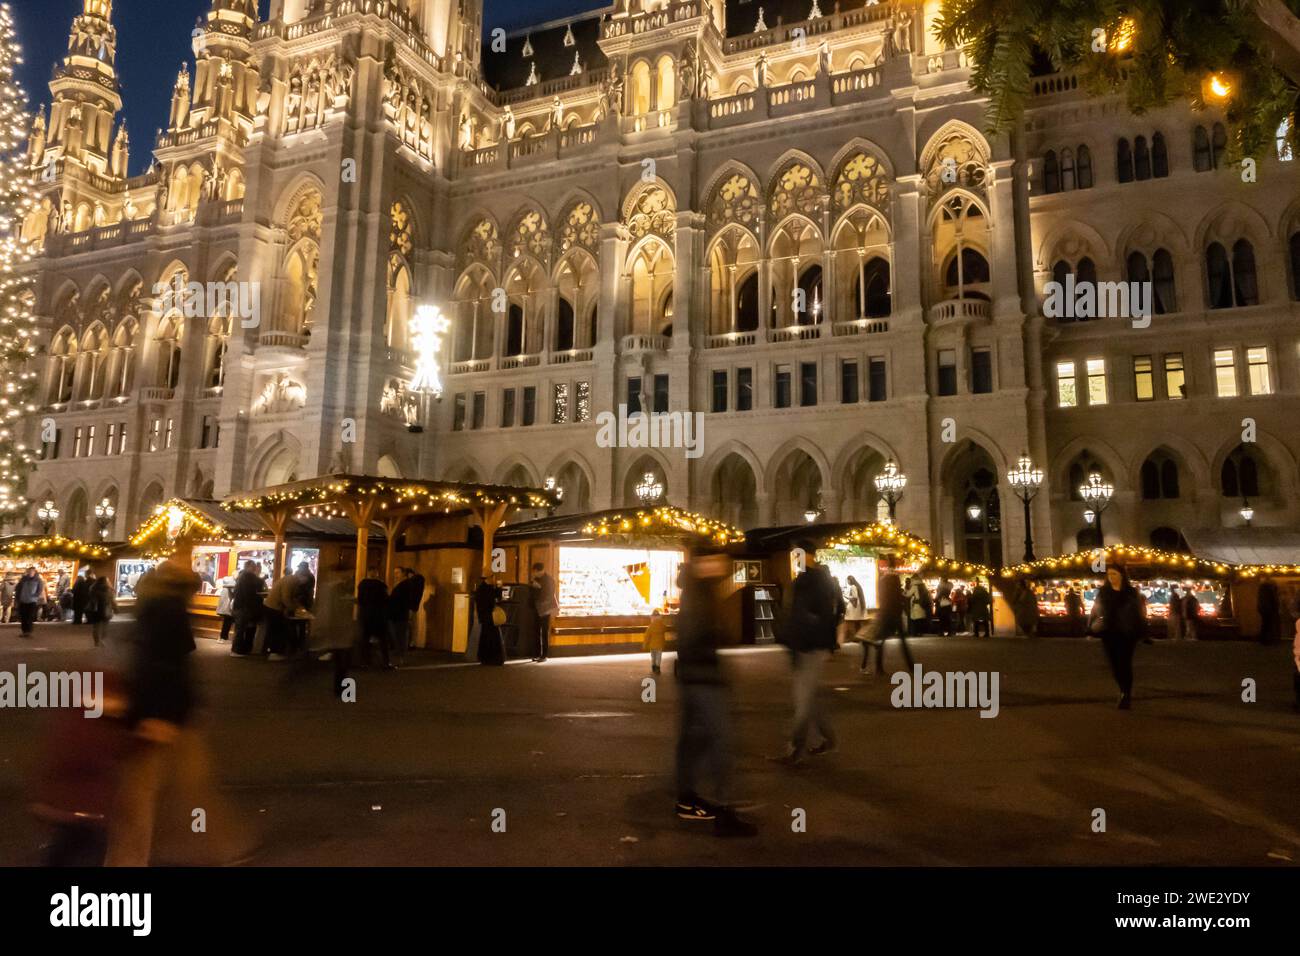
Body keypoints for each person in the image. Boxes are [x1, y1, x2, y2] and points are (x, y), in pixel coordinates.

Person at [673, 551, 755, 837]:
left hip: (694, 675)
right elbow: (695, 635)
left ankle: (687, 798)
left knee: (693, 741)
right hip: (704, 676)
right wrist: (717, 637)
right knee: (722, 741)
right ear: (700, 562)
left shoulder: (699, 590)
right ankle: (724, 811)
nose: (720, 564)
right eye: (714, 559)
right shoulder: (699, 594)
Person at [776, 541, 844, 765]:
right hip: (805, 646)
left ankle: (795, 749)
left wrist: (802, 639)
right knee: (810, 697)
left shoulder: (812, 581)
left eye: (798, 554)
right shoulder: (809, 581)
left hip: (808, 647)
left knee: (803, 701)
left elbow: (815, 616)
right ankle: (829, 738)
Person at [1088, 563, 1146, 710]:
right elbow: (1096, 609)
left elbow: (1139, 612)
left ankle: (1125, 693)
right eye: (1109, 574)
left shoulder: (1131, 592)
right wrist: (1090, 626)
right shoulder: (1104, 591)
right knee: (1114, 665)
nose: (1111, 577)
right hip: (1109, 632)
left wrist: (1142, 630)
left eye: (1114, 574)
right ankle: (1122, 687)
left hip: (1127, 633)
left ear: (1121, 575)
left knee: (1125, 663)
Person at [861, 572, 913, 676]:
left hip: (886, 618)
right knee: (902, 644)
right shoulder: (896, 591)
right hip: (895, 617)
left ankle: (879, 668)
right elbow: (900, 603)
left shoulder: (884, 591)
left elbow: (884, 605)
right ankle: (911, 667)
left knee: (880, 642)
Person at [263, 565, 309, 660]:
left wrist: (297, 607)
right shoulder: (291, 581)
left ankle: (272, 651)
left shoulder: (291, 580)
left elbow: (291, 598)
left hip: (272, 606)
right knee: (276, 630)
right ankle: (274, 652)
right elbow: (286, 598)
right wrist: (295, 609)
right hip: (274, 607)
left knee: (275, 629)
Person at [356, 570, 393, 669]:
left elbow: (360, 600)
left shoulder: (362, 585)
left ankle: (365, 662)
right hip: (379, 616)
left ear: (368, 574)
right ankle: (386, 662)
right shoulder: (381, 585)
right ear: (376, 575)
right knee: (383, 640)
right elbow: (386, 600)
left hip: (366, 615)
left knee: (365, 640)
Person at [387, 567, 424, 663]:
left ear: (403, 573)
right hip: (395, 613)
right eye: (394, 572)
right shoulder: (400, 585)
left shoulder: (407, 585)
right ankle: (398, 655)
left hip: (400, 613)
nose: (395, 575)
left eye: (398, 572)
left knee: (400, 635)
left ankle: (400, 656)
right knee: (397, 634)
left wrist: (410, 609)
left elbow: (407, 599)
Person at [230, 561, 264, 656]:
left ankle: (240, 649)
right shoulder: (248, 576)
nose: (254, 568)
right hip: (244, 607)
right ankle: (237, 650)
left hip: (240, 606)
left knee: (241, 629)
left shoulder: (242, 576)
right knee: (241, 629)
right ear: (248, 566)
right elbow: (253, 590)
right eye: (253, 566)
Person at [472, 576, 505, 666]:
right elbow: (497, 597)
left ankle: (486, 658)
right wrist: (499, 588)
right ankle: (494, 659)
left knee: (486, 637)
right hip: (489, 617)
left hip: (485, 617)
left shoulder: (482, 588)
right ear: (489, 579)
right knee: (493, 637)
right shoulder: (487, 589)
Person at [530, 562, 557, 663]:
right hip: (537, 607)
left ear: (538, 570)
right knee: (536, 631)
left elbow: (549, 594)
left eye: (534, 572)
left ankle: (544, 655)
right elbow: (533, 593)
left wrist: (539, 587)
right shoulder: (536, 579)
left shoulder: (549, 580)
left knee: (544, 631)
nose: (534, 574)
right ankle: (537, 653)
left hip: (545, 608)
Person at [85, 570, 115, 647]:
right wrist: (116, 608)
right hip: (105, 610)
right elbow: (112, 600)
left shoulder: (93, 589)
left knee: (96, 627)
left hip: (96, 610)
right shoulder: (109, 590)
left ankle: (97, 642)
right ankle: (101, 640)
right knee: (105, 627)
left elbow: (92, 600)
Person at [293, 561, 316, 653]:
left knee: (300, 623)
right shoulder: (309, 576)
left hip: (303, 603)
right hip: (305, 602)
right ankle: (300, 644)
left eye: (300, 567)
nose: (298, 569)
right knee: (301, 624)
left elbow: (302, 589)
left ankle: (300, 644)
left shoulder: (308, 577)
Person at [16, 567, 46, 637]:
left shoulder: (38, 580)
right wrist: (18, 597)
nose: (30, 573)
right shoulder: (23, 579)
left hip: (32, 601)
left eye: (32, 572)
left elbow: (40, 589)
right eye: (29, 571)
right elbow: (18, 588)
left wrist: (35, 596)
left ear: (35, 572)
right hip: (23, 600)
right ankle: (24, 631)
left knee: (30, 616)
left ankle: (28, 631)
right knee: (23, 617)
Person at [214, 573, 237, 642]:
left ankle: (223, 637)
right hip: (229, 606)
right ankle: (224, 637)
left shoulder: (226, 580)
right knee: (228, 622)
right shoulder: (233, 583)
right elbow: (233, 591)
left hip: (226, 606)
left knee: (227, 622)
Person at [1257, 578, 1280, 645]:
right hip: (1269, 609)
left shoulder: (1262, 590)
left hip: (1264, 609)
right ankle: (1267, 640)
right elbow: (1274, 600)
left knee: (1265, 625)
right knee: (1268, 625)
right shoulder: (1269, 590)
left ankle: (1264, 639)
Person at [643, 608, 666, 673]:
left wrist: (645, 645)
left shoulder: (650, 627)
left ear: (652, 618)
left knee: (653, 657)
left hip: (652, 645)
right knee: (658, 657)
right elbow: (665, 629)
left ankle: (653, 666)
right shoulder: (662, 626)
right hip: (660, 645)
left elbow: (647, 637)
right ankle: (658, 668)